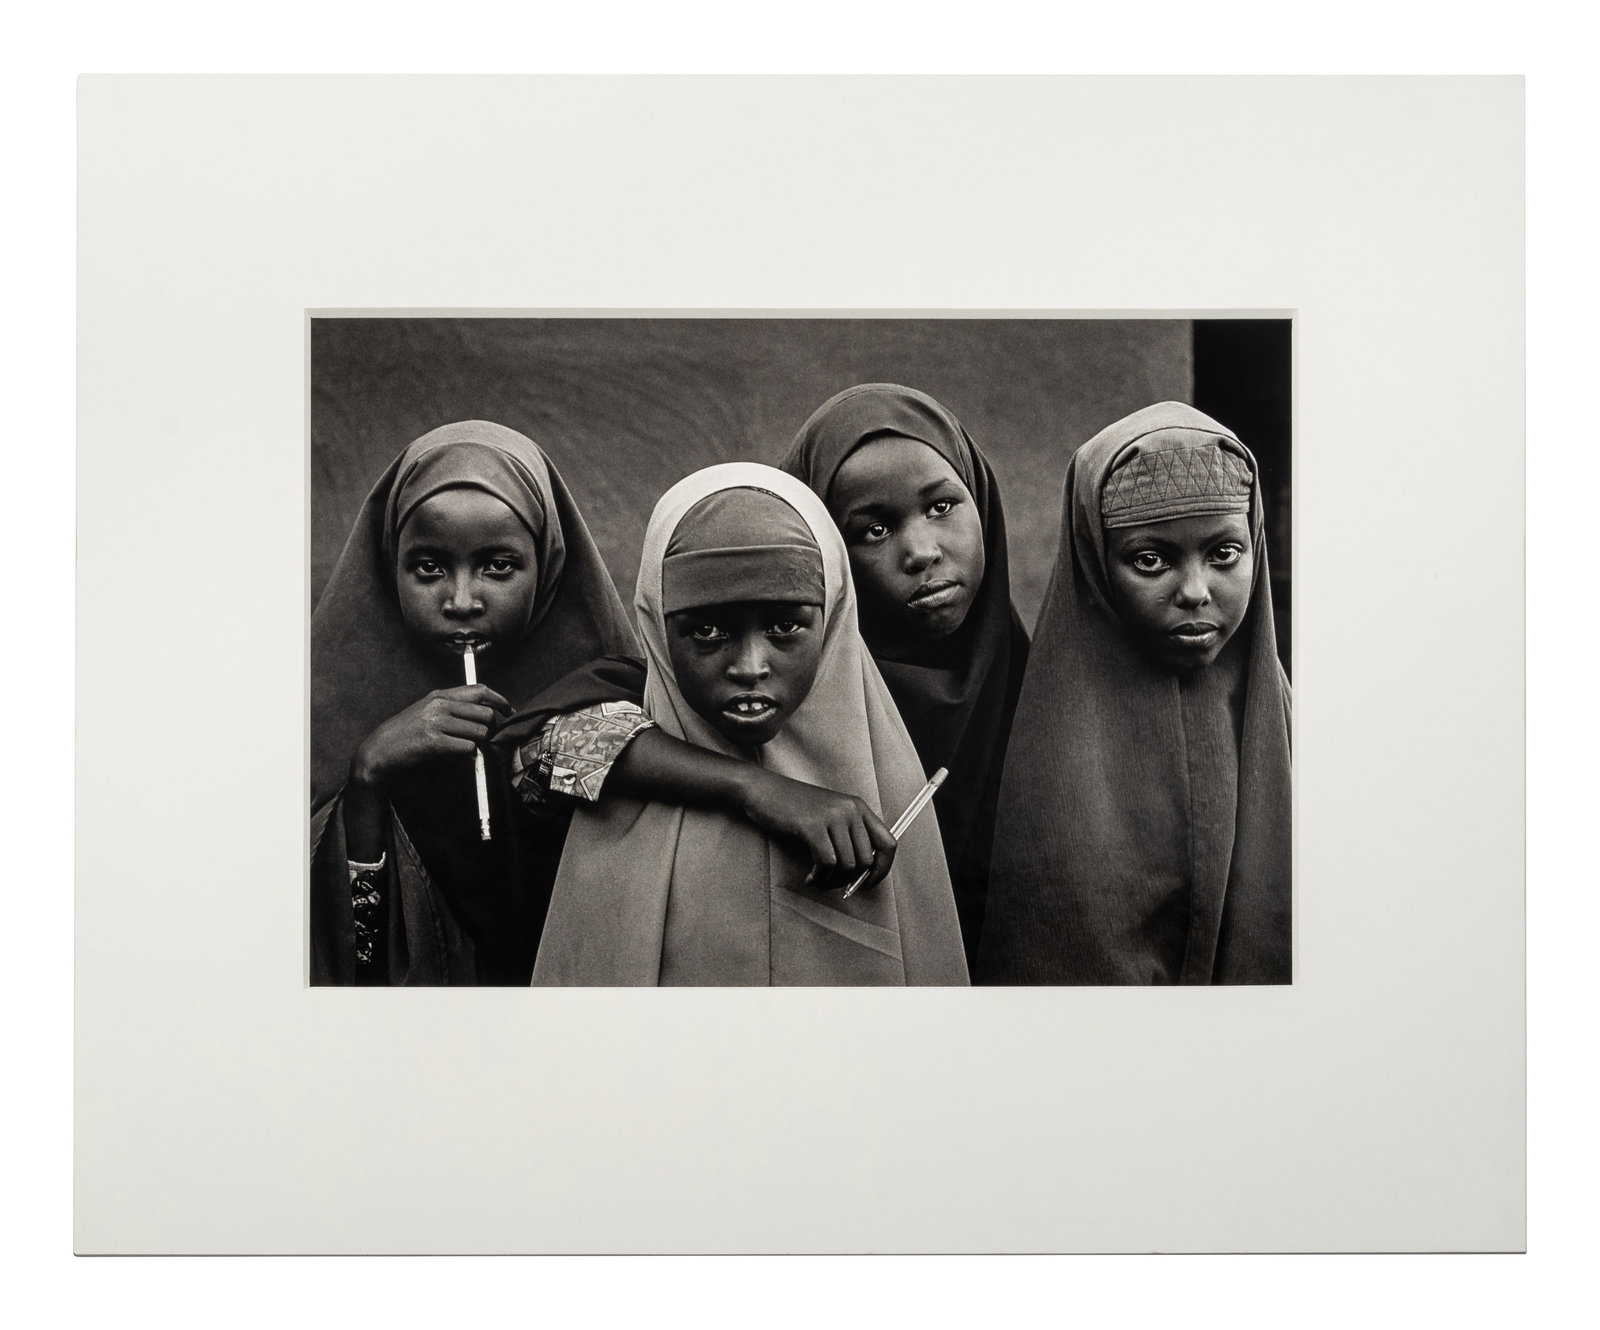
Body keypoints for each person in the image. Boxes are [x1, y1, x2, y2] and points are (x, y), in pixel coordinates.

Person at [530, 463, 970, 986]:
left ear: (831, 619)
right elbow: (534, 757)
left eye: (785, 626)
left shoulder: (889, 773)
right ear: (655, 620)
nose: (749, 666)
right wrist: (752, 787)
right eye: (708, 631)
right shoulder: (621, 716)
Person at [309, 420, 638, 985]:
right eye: (429, 568)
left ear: (549, 563)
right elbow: (346, 965)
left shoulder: (608, 690)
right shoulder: (320, 714)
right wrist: (366, 777)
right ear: (391, 567)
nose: (461, 600)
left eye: (498, 567)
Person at [976, 402, 1292, 985]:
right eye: (1150, 560)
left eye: (1224, 553)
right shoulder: (1041, 751)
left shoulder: (1293, 728)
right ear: (1096, 567)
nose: (1195, 591)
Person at [779, 384, 1029, 971]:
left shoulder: (1042, 689)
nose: (921, 551)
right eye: (873, 530)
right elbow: (560, 748)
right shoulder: (774, 691)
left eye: (941, 507)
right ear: (825, 553)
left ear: (981, 501)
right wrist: (764, 790)